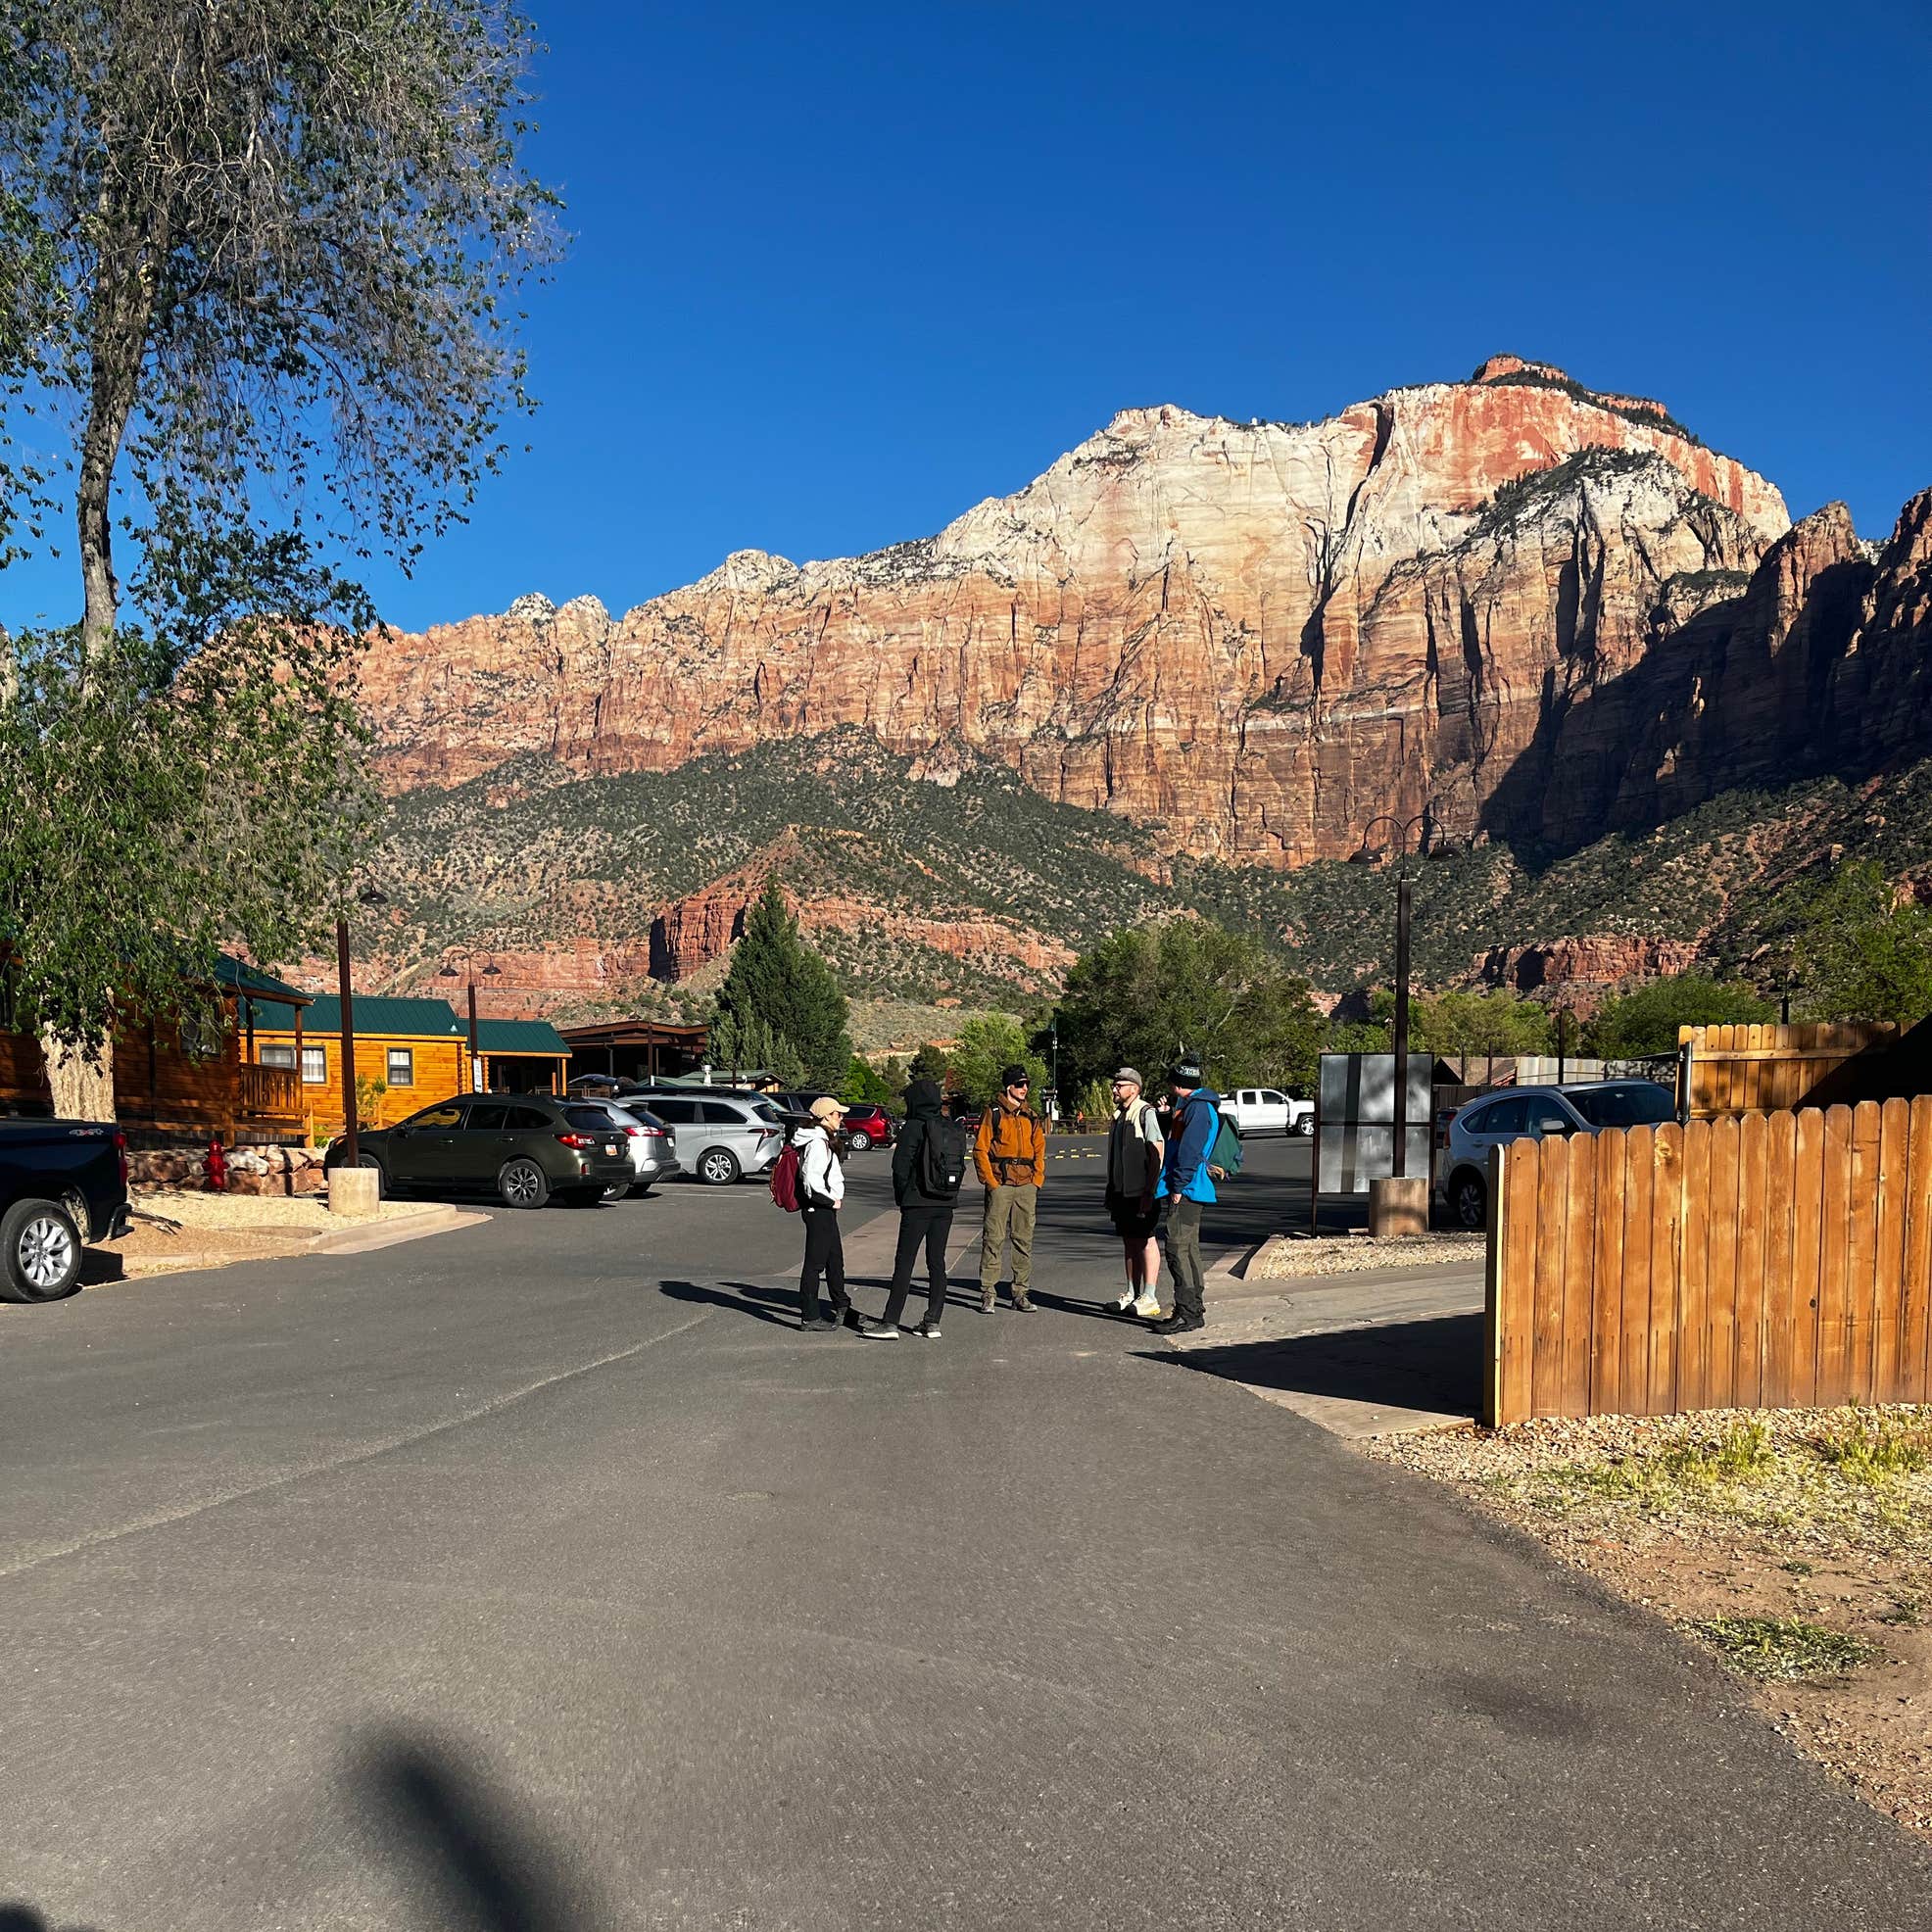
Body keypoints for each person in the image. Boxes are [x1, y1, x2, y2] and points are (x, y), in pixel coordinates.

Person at [859, 1077, 960, 1340]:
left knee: (904, 1262)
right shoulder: (948, 1125)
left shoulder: (913, 1127)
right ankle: (932, 1321)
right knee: (937, 1262)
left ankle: (890, 1322)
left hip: (917, 1203)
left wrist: (902, 1197)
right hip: (945, 1203)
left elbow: (900, 1168)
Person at [1153, 1059, 1219, 1336]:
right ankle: (1192, 1309)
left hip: (1189, 1188)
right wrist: (1167, 1116)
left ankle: (1187, 1312)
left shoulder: (1197, 1109)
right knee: (1188, 1249)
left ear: (1178, 1083)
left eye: (1171, 1081)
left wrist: (1178, 1186)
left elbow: (1189, 1150)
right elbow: (1180, 1140)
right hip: (1193, 1186)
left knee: (1177, 1249)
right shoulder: (1197, 1106)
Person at [974, 1063, 1044, 1313]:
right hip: (1000, 1184)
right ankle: (988, 1293)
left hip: (1026, 1185)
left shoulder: (1031, 1116)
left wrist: (1037, 1180)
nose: (1025, 1088)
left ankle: (1020, 1292)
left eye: (1027, 1084)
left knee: (1023, 1240)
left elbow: (1040, 1149)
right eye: (1020, 1084)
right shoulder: (993, 1112)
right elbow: (980, 1149)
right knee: (993, 1239)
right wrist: (990, 1183)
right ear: (1008, 1087)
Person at [1103, 1067, 1165, 1317]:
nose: (1114, 1089)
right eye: (1115, 1085)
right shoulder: (1119, 1115)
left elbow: (1156, 1151)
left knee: (1146, 1240)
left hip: (1142, 1191)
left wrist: (1150, 1191)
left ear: (1134, 1088)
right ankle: (1131, 1292)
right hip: (1121, 1191)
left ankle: (1150, 1296)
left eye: (1120, 1085)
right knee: (1129, 1241)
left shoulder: (1145, 1113)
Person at [796, 1096, 850, 1332]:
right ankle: (810, 1316)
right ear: (826, 1116)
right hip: (818, 1208)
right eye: (837, 1114)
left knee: (834, 1259)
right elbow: (811, 1180)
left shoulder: (823, 1139)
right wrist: (829, 1201)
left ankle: (842, 1305)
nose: (841, 1117)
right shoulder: (817, 1143)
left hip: (825, 1208)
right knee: (815, 1263)